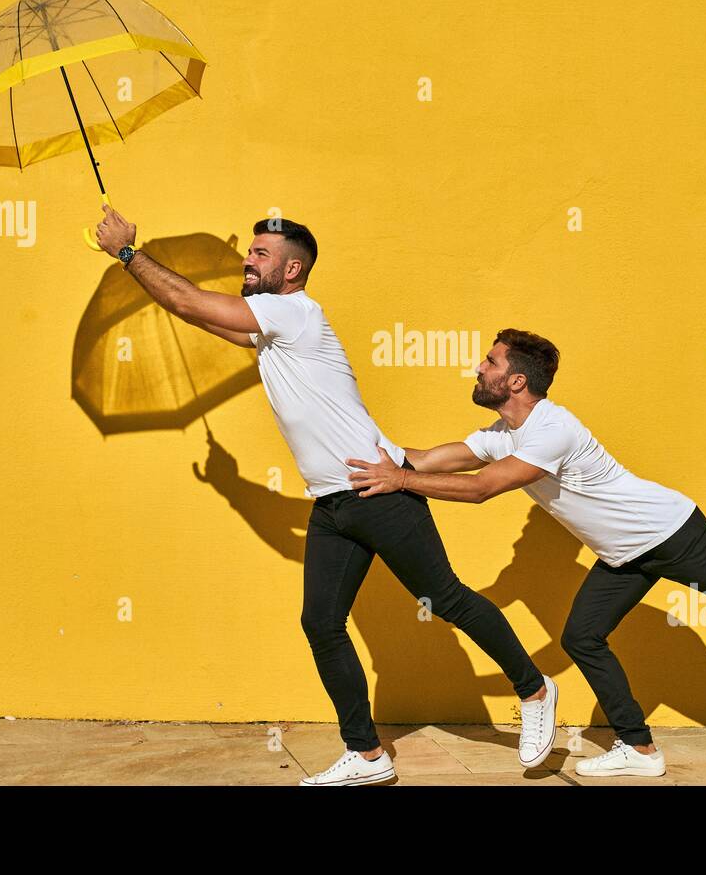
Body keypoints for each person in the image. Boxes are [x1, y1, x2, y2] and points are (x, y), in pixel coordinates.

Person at [92, 208, 558, 785]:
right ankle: (367, 755)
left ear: (292, 271)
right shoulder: (273, 325)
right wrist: (233, 487)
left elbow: (190, 303)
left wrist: (129, 253)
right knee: (321, 623)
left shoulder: (296, 313)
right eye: (251, 251)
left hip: (377, 489)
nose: (247, 259)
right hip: (334, 504)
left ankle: (535, 690)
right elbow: (199, 315)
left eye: (259, 254)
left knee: (447, 599)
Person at [346, 328, 706, 778]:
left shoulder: (553, 429)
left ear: (517, 381)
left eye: (491, 362)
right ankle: (639, 748)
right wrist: (370, 449)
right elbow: (435, 458)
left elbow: (479, 489)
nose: (478, 366)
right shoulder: (501, 432)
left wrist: (397, 482)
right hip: (624, 554)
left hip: (671, 533)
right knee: (583, 637)